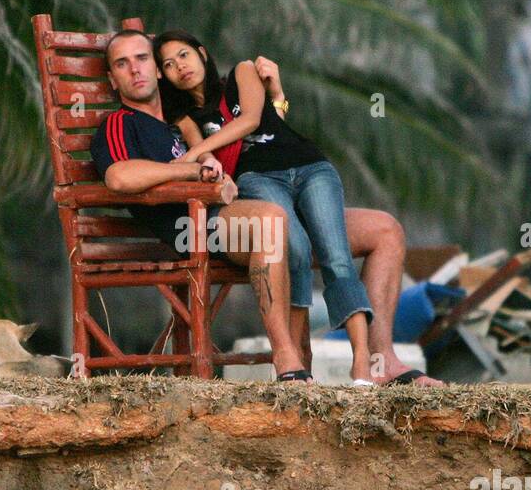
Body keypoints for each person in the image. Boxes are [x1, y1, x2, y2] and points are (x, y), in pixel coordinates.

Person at [154, 30, 440, 385]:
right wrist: (200, 159)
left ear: (202, 52)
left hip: (306, 166)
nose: (179, 67)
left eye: (184, 55)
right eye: (168, 64)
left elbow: (255, 122)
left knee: (365, 241)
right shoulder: (186, 121)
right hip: (258, 184)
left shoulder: (242, 73)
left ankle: (375, 363)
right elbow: (210, 159)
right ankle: (297, 363)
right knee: (294, 244)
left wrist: (278, 97)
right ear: (162, 76)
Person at [88, 29, 312, 381]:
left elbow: (255, 142)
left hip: (237, 210)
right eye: (122, 63)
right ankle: (287, 359)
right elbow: (119, 177)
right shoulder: (122, 123)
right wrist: (191, 169)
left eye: (142, 59)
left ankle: (348, 366)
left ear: (157, 70)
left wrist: (278, 100)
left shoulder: (182, 124)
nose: (135, 69)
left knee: (374, 228)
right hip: (188, 231)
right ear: (112, 80)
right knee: (271, 222)